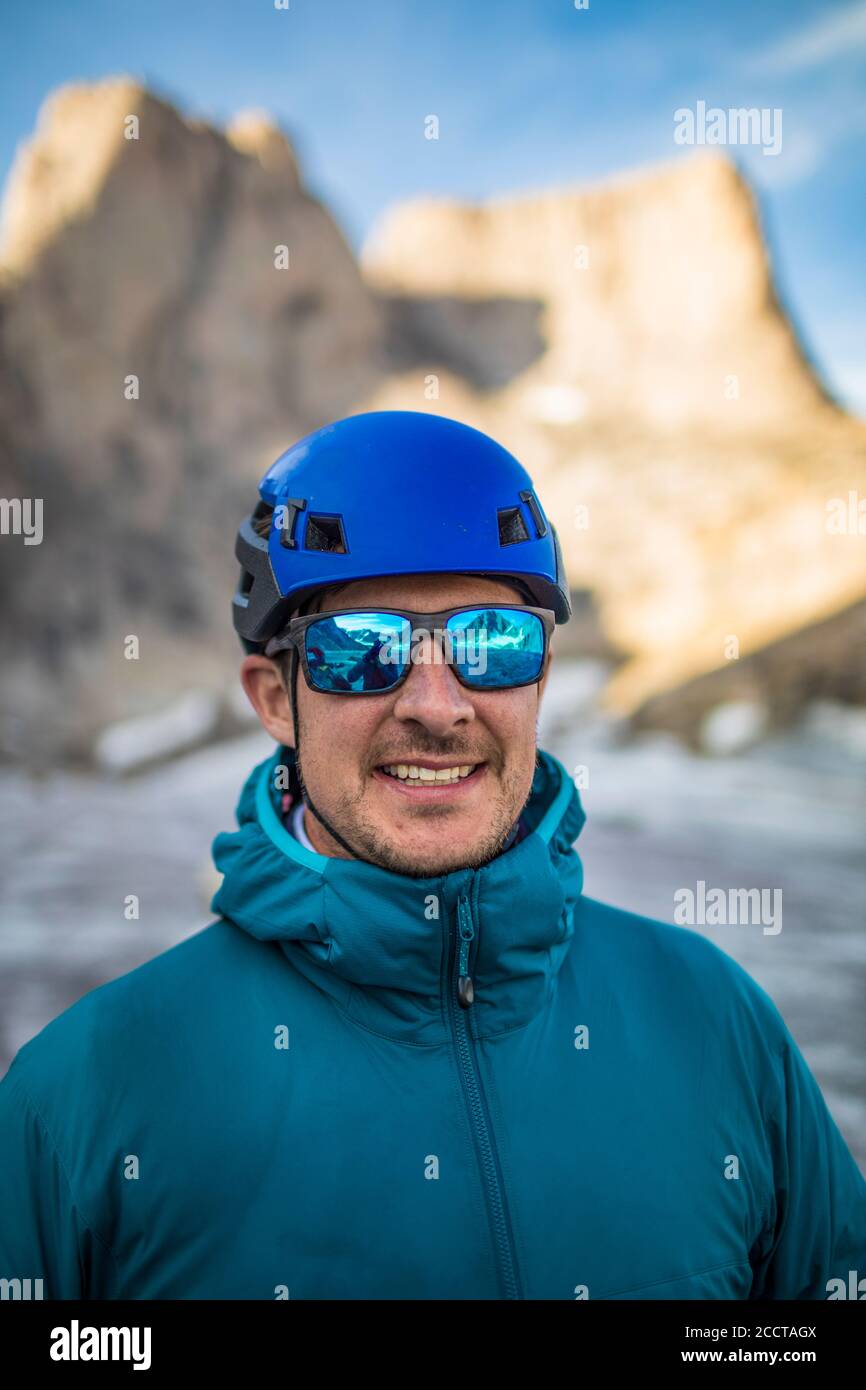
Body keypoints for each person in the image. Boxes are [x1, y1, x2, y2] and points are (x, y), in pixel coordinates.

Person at [0, 409, 864, 1301]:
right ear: (273, 697)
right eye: (362, 649)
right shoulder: (82, 1094)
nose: (438, 706)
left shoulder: (718, 1022)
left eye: (493, 642)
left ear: (542, 680)